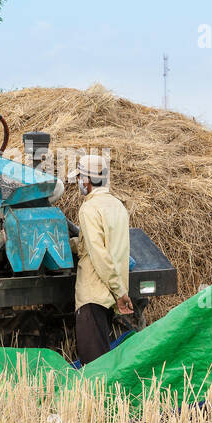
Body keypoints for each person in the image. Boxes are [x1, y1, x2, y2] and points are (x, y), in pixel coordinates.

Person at [67, 154, 132, 364]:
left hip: (93, 293)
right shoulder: (118, 206)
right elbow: (111, 247)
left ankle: (99, 397)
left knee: (94, 364)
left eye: (79, 178)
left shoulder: (89, 208)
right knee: (104, 356)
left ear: (87, 180)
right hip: (109, 296)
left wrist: (119, 291)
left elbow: (99, 254)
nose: (78, 183)